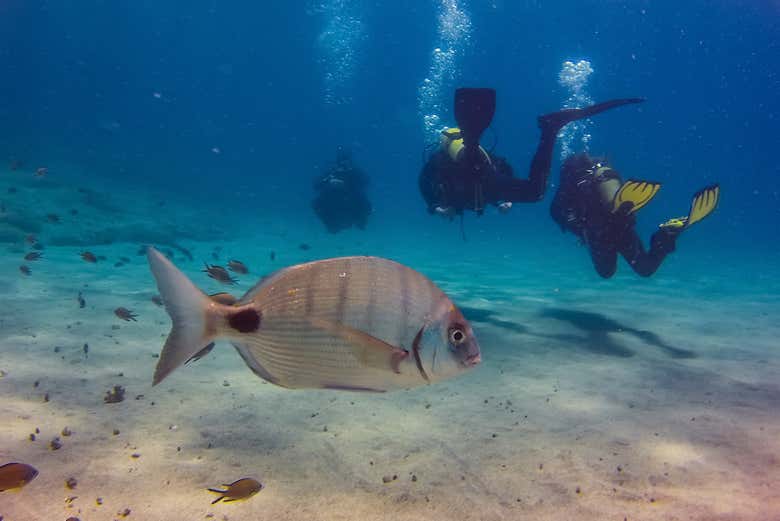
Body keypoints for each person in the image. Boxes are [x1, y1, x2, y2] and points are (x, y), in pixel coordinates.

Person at [419, 87, 644, 218]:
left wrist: (437, 208)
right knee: (533, 191)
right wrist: (502, 199)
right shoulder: (441, 162)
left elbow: (425, 184)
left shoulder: (437, 162)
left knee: (535, 192)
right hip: (485, 177)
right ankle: (550, 128)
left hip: (481, 179)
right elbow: (501, 165)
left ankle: (550, 129)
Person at [550, 153, 720, 278]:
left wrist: (581, 231)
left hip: (599, 233)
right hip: (621, 226)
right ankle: (665, 235)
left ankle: (618, 206)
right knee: (645, 268)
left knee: (606, 272)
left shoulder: (567, 191)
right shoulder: (580, 185)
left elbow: (557, 213)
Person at [311, 147, 372, 233]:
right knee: (316, 203)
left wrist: (348, 184)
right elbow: (316, 186)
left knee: (366, 205)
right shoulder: (331, 173)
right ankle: (331, 224)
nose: (343, 165)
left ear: (350, 163)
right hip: (334, 201)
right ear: (337, 163)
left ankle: (359, 221)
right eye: (341, 163)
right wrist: (328, 182)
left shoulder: (355, 172)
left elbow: (366, 182)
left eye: (346, 162)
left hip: (352, 200)